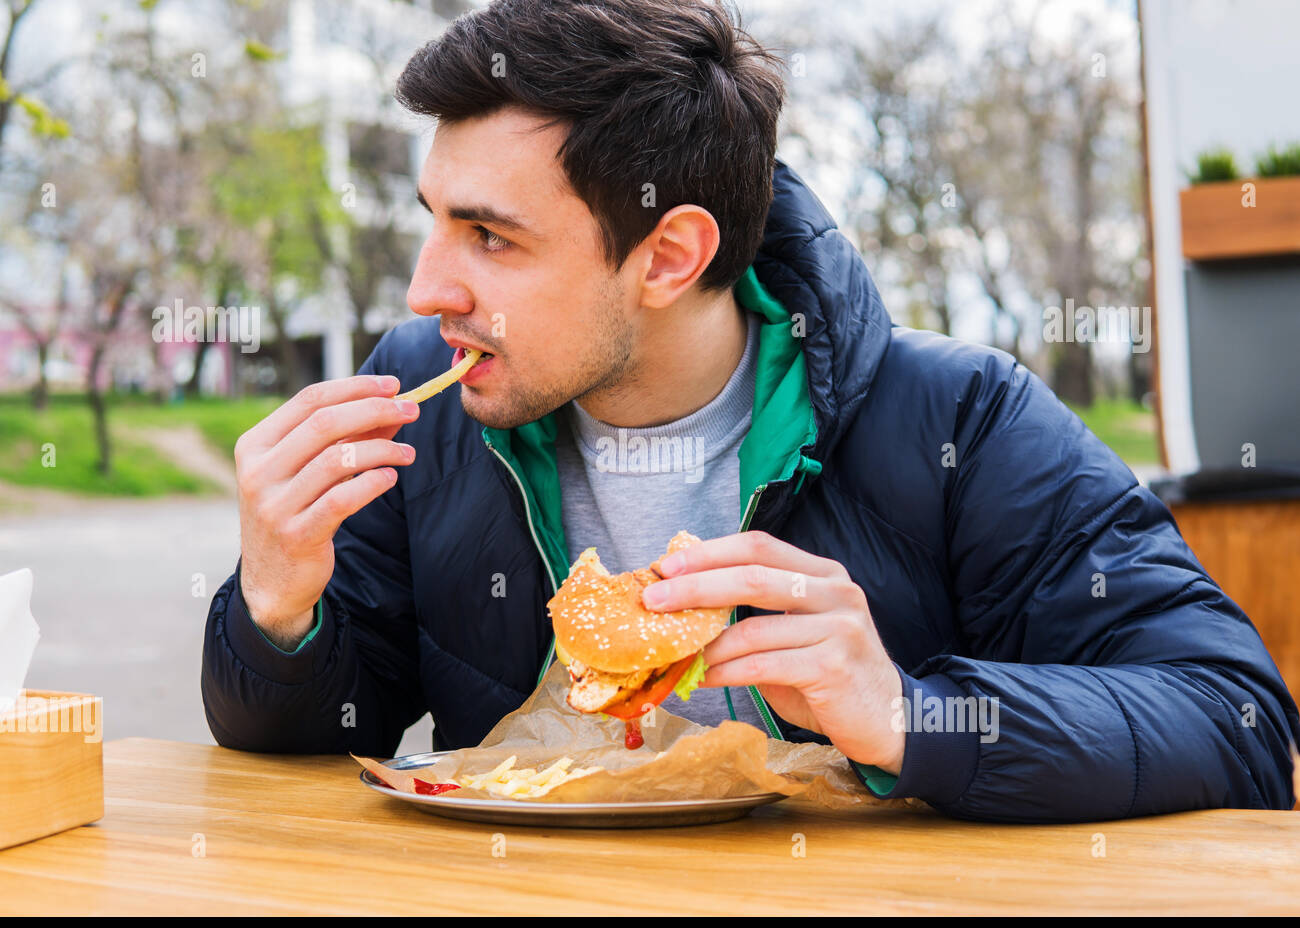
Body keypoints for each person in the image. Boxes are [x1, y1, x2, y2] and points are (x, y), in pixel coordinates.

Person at [202, 0, 1298, 822]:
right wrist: (278, 606)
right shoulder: (425, 402)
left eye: (491, 237)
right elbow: (328, 734)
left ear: (669, 254)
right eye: (434, 219)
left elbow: (1238, 719)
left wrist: (911, 713)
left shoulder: (961, 419)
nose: (424, 288)